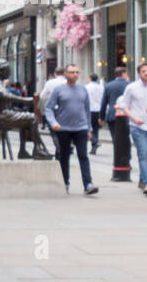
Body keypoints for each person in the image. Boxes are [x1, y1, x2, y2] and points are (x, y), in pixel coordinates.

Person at [44, 63, 99, 194]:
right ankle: (65, 183)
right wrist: (53, 123)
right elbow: (49, 108)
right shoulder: (59, 90)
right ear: (65, 74)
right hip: (63, 128)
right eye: (72, 72)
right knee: (64, 156)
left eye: (77, 72)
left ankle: (88, 184)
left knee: (83, 155)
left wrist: (89, 128)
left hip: (81, 128)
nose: (75, 74)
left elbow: (87, 110)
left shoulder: (83, 90)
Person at [119, 62, 147, 196]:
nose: (146, 73)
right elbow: (124, 106)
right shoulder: (131, 87)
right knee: (144, 153)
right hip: (137, 126)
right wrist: (134, 118)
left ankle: (142, 179)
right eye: (143, 71)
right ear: (139, 73)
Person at [86, 73, 105, 153]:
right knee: (96, 129)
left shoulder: (86, 87)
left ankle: (94, 141)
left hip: (89, 110)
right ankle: (94, 147)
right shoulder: (101, 87)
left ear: (90, 78)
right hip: (98, 110)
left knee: (87, 128)